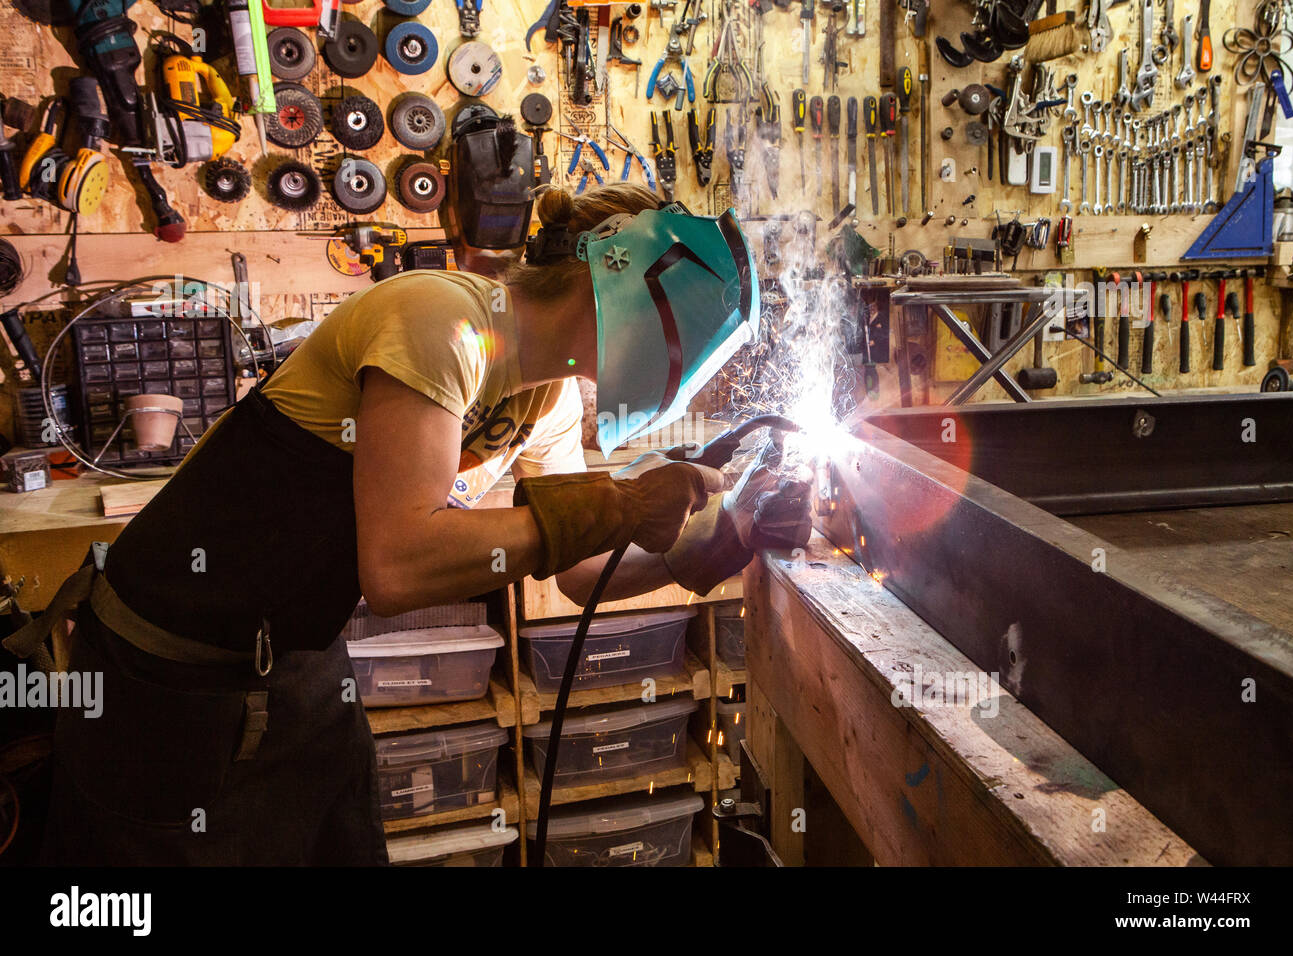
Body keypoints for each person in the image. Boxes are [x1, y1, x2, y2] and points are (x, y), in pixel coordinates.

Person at [10, 184, 811, 865]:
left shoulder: (552, 399)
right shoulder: (444, 319)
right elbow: (396, 566)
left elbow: (573, 573)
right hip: (164, 678)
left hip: (297, 668)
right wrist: (622, 506)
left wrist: (714, 541)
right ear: (623, 266)